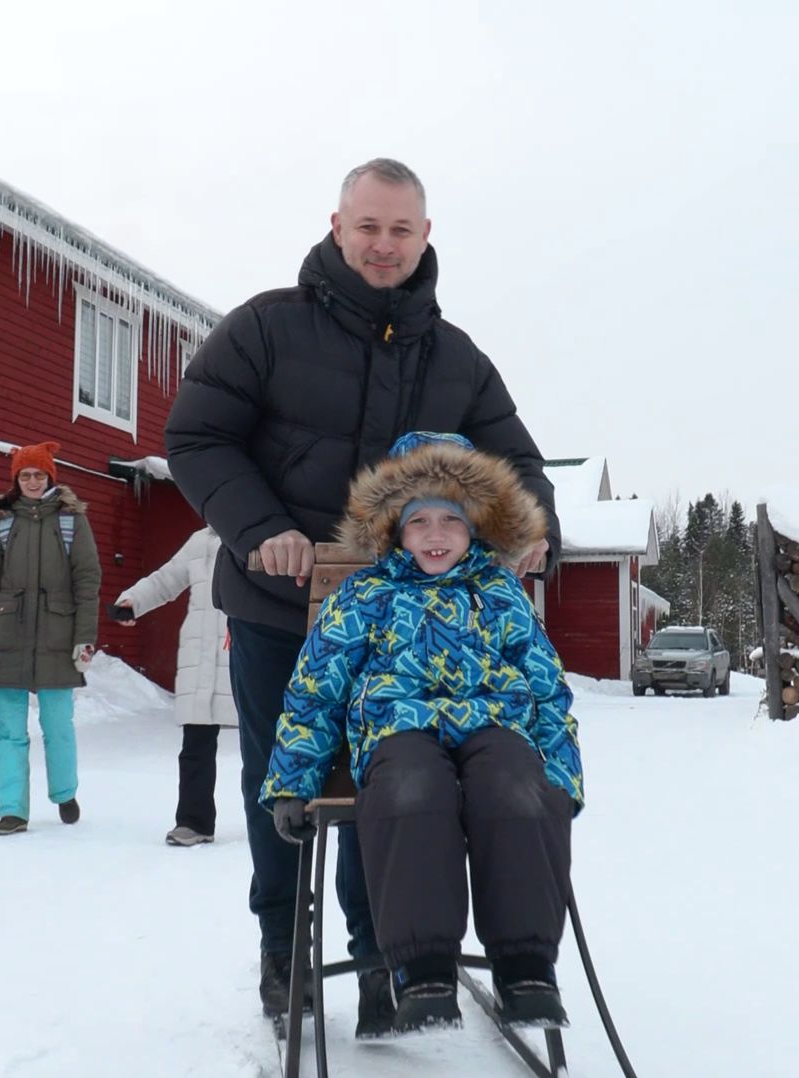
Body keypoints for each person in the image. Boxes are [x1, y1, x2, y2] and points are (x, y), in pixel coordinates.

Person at [165, 157, 562, 1036]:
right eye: (369, 226)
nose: (384, 245)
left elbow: (519, 469)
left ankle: (382, 953)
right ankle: (284, 951)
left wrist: (536, 529)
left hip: (409, 633)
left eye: (402, 230)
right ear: (337, 226)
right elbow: (197, 435)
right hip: (282, 606)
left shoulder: (458, 359)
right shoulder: (265, 328)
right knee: (291, 783)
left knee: (391, 780)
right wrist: (258, 525)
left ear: (426, 239)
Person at [262, 432, 582, 1035]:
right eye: (420, 522)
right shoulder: (368, 594)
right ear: (394, 530)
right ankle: (424, 964)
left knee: (517, 788)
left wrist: (560, 775)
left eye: (451, 522)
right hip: (398, 727)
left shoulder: (499, 593)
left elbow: (545, 687)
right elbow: (316, 688)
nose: (436, 535)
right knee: (411, 790)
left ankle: (525, 963)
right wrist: (292, 779)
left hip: (495, 724)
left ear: (477, 527)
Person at [0, 442, 102, 836]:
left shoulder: (72, 521)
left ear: (51, 477)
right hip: (6, 634)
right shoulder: (3, 524)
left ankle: (64, 792)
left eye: (39, 475)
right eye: (25, 475)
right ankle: (12, 810)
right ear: (15, 480)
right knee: (9, 729)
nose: (32, 482)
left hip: (59, 634)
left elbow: (87, 581)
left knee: (58, 724)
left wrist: (84, 637)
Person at [111, 526, 236, 847]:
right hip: (200, 658)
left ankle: (271, 823)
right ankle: (193, 822)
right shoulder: (200, 542)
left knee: (260, 748)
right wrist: (132, 601)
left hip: (245, 653)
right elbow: (167, 579)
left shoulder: (259, 537)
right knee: (195, 745)